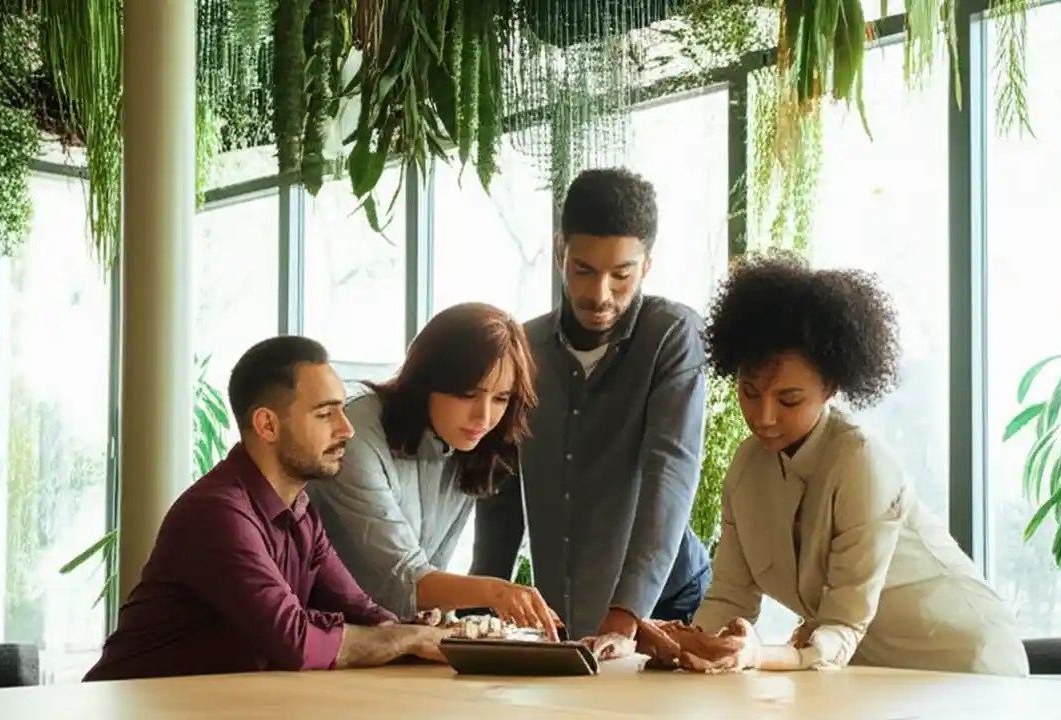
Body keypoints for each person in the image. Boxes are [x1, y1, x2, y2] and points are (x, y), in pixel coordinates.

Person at [686, 250, 1028, 676]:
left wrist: (758, 655)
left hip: (964, 664)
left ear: (830, 386)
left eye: (789, 399)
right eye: (750, 392)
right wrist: (680, 648)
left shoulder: (861, 463)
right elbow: (730, 599)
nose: (764, 416)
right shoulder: (746, 468)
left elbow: (841, 625)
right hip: (862, 668)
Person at [84, 336, 450, 682]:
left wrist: (416, 630)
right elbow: (297, 642)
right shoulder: (216, 514)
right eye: (326, 414)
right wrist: (408, 639)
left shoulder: (301, 513)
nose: (347, 429)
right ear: (267, 425)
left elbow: (367, 616)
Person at [471, 167, 712, 652]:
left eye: (621, 275)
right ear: (561, 251)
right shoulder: (527, 345)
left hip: (664, 605)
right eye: (583, 269)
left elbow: (671, 473)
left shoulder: (673, 336)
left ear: (646, 265)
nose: (600, 294)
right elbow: (500, 490)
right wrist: (476, 611)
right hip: (565, 611)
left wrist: (626, 618)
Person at [308, 303, 559, 638]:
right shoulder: (357, 434)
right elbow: (404, 576)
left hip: (387, 642)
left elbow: (428, 580)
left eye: (501, 398)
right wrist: (497, 593)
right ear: (428, 379)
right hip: (318, 640)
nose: (483, 417)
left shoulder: (470, 443)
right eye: (469, 394)